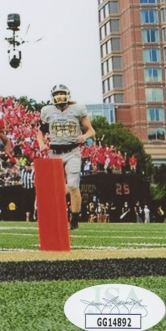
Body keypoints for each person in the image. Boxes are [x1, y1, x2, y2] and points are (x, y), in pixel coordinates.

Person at [36, 84, 95, 230]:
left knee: (74, 185)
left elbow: (91, 130)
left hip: (72, 151)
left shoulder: (77, 109)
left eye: (62, 93)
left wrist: (85, 136)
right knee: (56, 189)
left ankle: (74, 220)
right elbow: (41, 132)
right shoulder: (47, 111)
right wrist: (41, 144)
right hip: (54, 153)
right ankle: (57, 216)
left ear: (68, 94)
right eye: (57, 93)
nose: (59, 96)